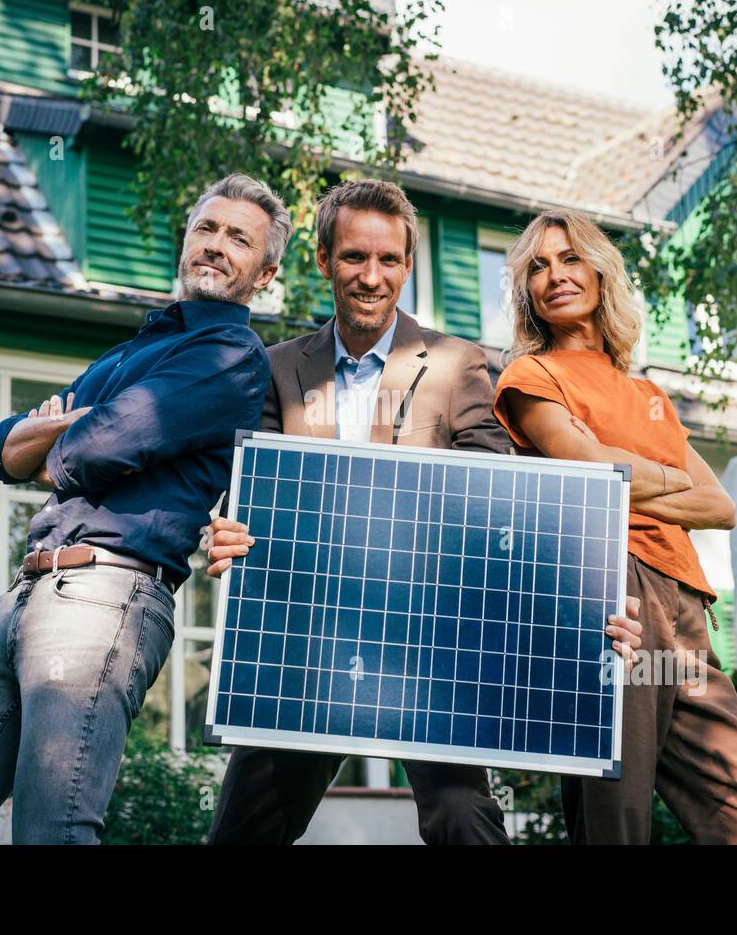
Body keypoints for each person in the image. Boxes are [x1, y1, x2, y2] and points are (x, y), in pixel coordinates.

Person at [202, 179, 644, 844]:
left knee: (464, 819)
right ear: (323, 260)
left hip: (429, 649)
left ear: (408, 266)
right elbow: (253, 498)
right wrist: (228, 534)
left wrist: (592, 606)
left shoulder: (456, 363)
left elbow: (513, 507)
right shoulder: (278, 368)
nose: (372, 277)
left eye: (389, 260)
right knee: (241, 828)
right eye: (354, 257)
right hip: (313, 641)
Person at [0, 173, 288, 844]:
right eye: (205, 229)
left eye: (238, 238)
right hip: (22, 595)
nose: (215, 245)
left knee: (52, 832)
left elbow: (93, 449)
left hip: (106, 594)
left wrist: (54, 432)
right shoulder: (129, 353)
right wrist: (66, 430)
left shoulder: (231, 355)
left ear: (266, 271)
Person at [491, 207, 737, 844]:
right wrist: (664, 477)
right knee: (615, 825)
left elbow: (721, 507)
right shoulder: (532, 376)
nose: (555, 275)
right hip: (610, 598)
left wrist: (627, 476)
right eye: (539, 267)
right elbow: (587, 466)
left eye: (571, 258)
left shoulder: (649, 396)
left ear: (603, 274)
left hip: (686, 609)